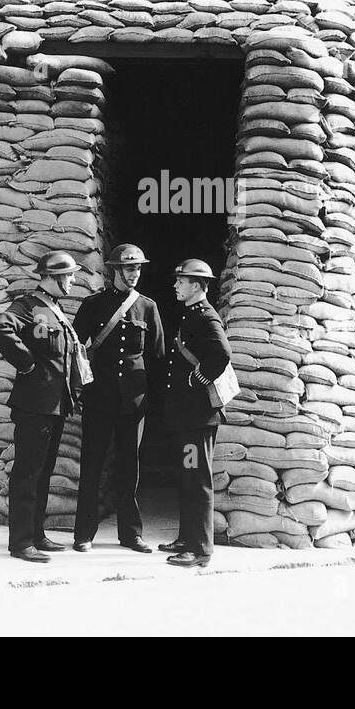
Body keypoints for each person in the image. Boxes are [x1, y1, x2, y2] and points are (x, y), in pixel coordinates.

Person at [0, 250, 87, 563]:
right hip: (34, 405)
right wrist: (27, 364)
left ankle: (36, 534)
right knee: (27, 473)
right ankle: (20, 542)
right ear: (53, 277)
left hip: (55, 405)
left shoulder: (56, 309)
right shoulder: (28, 305)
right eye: (69, 275)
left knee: (43, 473)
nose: (73, 280)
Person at [71, 243, 165, 553]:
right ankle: (84, 533)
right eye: (128, 268)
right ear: (114, 270)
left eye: (138, 268)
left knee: (130, 467)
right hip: (99, 399)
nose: (135, 273)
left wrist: (153, 399)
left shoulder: (148, 308)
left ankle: (131, 533)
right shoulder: (94, 305)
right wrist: (80, 387)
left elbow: (157, 357)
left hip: (133, 402)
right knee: (93, 465)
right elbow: (75, 348)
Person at [160, 259, 231, 568]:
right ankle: (186, 537)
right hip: (187, 416)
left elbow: (222, 353)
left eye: (182, 281)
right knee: (186, 476)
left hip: (197, 417)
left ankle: (199, 549)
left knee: (196, 479)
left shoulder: (206, 317)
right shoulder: (191, 314)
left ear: (198, 286)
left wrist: (198, 379)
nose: (176, 285)